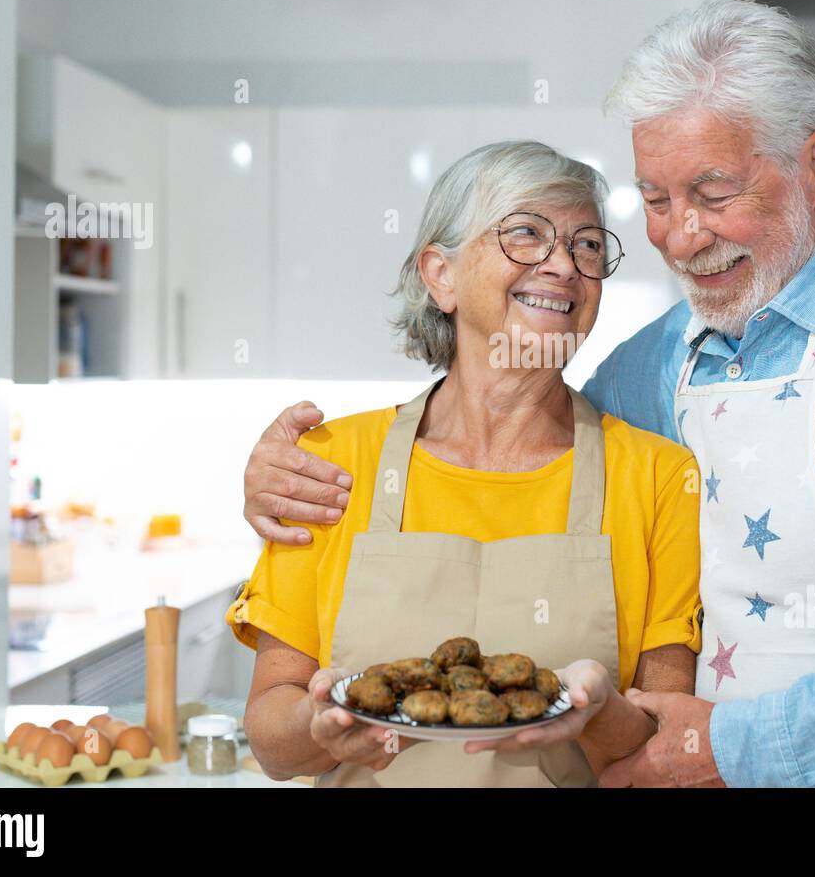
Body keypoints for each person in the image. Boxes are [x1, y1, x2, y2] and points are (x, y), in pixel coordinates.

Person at [242, 0, 815, 787]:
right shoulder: (648, 373)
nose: (681, 237)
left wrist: (731, 747)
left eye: (713, 193)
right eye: (654, 200)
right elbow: (509, 417)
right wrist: (277, 475)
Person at [226, 140, 703, 787]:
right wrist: (320, 731)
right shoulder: (331, 464)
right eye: (526, 234)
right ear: (439, 276)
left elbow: (663, 745)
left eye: (587, 245)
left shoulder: (657, 477)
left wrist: (596, 710)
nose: (564, 265)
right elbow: (274, 744)